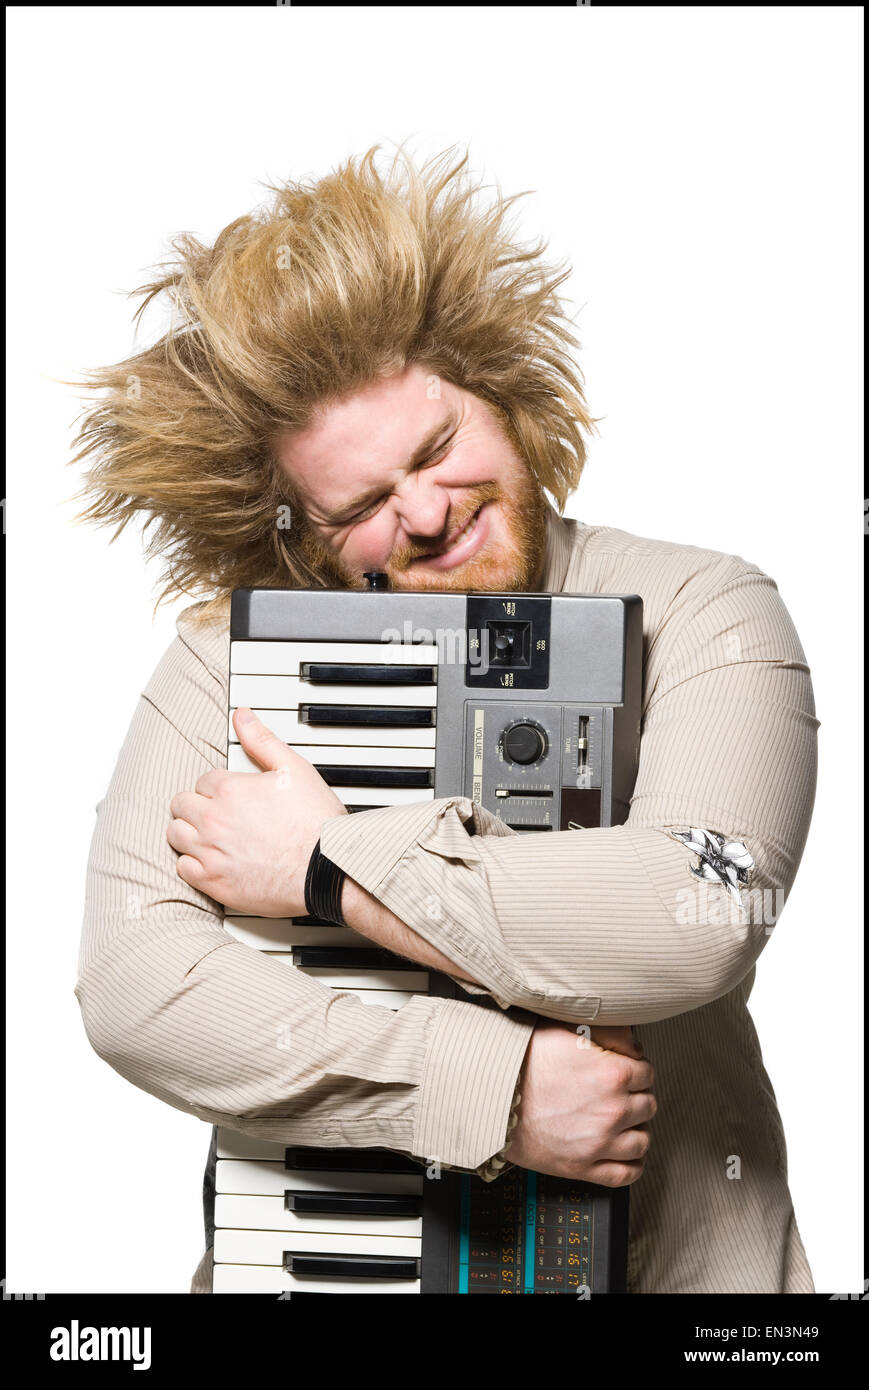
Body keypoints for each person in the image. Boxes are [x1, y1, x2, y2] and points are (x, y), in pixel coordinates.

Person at [70, 144, 818, 1294]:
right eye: (361, 504)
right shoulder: (226, 662)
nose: (423, 512)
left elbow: (700, 909)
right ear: (299, 533)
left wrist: (330, 866)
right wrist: (498, 1089)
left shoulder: (702, 607)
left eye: (434, 449)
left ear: (501, 390)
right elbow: (137, 990)